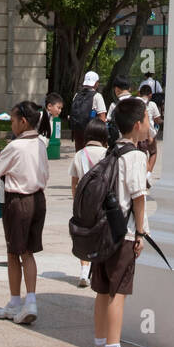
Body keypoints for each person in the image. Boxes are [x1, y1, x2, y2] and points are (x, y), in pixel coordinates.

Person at [91, 96, 152, 347]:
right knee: (118, 292)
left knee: (102, 291)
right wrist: (140, 232)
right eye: (148, 120)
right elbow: (139, 197)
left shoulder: (111, 152)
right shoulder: (136, 156)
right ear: (138, 125)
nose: (150, 125)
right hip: (123, 234)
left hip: (102, 232)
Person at [0, 100, 49, 324]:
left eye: (13, 120)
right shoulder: (41, 143)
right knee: (29, 252)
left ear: (23, 121)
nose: (11, 125)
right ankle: (30, 299)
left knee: (14, 252)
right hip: (38, 200)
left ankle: (16, 301)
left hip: (18, 201)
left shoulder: (14, 146)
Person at [68, 117, 108, 287]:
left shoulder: (79, 155)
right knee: (101, 234)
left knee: (84, 234)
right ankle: (98, 269)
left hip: (84, 202)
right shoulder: (107, 154)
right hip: (103, 202)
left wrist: (76, 201)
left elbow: (74, 183)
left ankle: (84, 271)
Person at [70, 71, 107, 151]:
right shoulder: (97, 96)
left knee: (80, 156)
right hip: (92, 134)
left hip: (78, 133)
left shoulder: (77, 95)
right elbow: (102, 118)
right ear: (96, 83)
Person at [137, 84, 162, 175]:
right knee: (153, 153)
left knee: (140, 155)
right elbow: (157, 119)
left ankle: (140, 174)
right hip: (149, 134)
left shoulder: (135, 102)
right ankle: (148, 174)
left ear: (139, 93)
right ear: (150, 95)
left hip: (136, 135)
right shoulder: (152, 104)